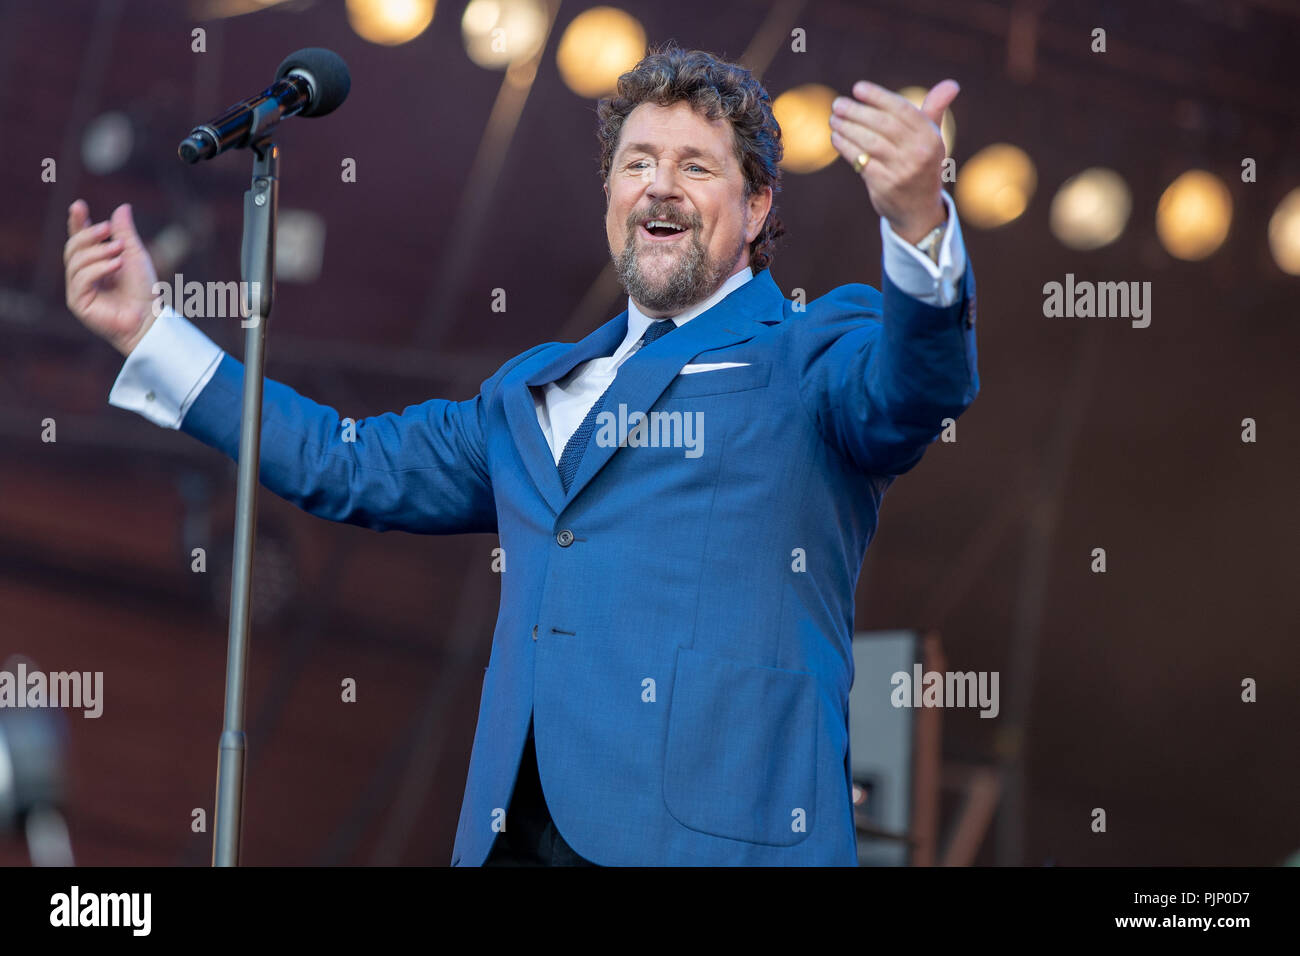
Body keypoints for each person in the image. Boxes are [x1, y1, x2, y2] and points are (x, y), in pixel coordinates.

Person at [64, 44, 978, 866]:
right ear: (612, 198)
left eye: (696, 166)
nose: (660, 186)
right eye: (638, 164)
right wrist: (151, 332)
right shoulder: (531, 390)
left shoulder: (810, 353)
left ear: (756, 207)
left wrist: (920, 228)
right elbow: (345, 462)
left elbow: (915, 390)